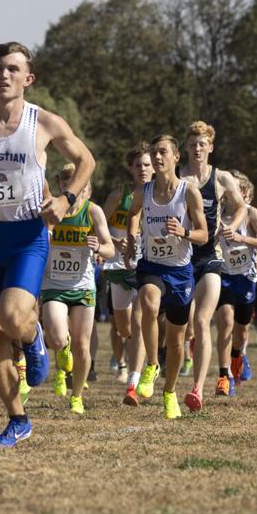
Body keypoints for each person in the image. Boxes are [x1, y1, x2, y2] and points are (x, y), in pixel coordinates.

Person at [0, 42, 95, 447]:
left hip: (27, 235)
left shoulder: (42, 122)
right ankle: (18, 419)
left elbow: (86, 162)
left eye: (12, 69)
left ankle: (31, 337)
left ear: (28, 78)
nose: (3, 75)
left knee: (11, 317)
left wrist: (68, 199)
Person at [125, 135, 208, 419]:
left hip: (180, 271)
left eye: (163, 153)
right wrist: (131, 238)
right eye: (154, 153)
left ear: (175, 158)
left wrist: (183, 232)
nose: (157, 158)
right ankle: (151, 365)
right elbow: (133, 213)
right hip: (152, 265)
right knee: (148, 302)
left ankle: (170, 391)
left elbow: (204, 234)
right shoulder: (143, 192)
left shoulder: (189, 193)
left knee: (176, 340)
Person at [179, 121, 247, 412]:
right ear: (186, 147)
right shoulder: (179, 177)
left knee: (202, 321)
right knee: (181, 327)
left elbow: (241, 204)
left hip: (211, 256)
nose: (197, 148)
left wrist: (231, 224)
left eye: (202, 144)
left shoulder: (221, 178)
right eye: (192, 143)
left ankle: (198, 390)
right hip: (181, 258)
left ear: (210, 147)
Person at [41, 164, 114, 414]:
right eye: (66, 182)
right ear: (61, 186)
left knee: (83, 346)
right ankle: (63, 350)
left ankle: (77, 396)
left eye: (77, 182)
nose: (71, 187)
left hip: (82, 285)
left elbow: (110, 249)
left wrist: (98, 247)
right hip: (54, 284)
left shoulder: (93, 212)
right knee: (57, 336)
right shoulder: (50, 210)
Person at [214, 171, 257, 395]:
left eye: (234, 188)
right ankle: (224, 375)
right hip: (223, 276)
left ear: (244, 193)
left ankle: (238, 355)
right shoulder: (216, 213)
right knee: (225, 321)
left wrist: (243, 238)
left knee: (241, 331)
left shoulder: (251, 214)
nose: (227, 192)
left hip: (246, 278)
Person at [106, 144, 151, 402]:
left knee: (138, 321)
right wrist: (115, 242)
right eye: (138, 165)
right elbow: (96, 227)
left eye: (147, 165)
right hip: (118, 265)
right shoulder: (118, 196)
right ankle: (134, 349)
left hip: (146, 266)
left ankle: (133, 381)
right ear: (131, 169)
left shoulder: (160, 195)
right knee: (124, 328)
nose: (143, 169)